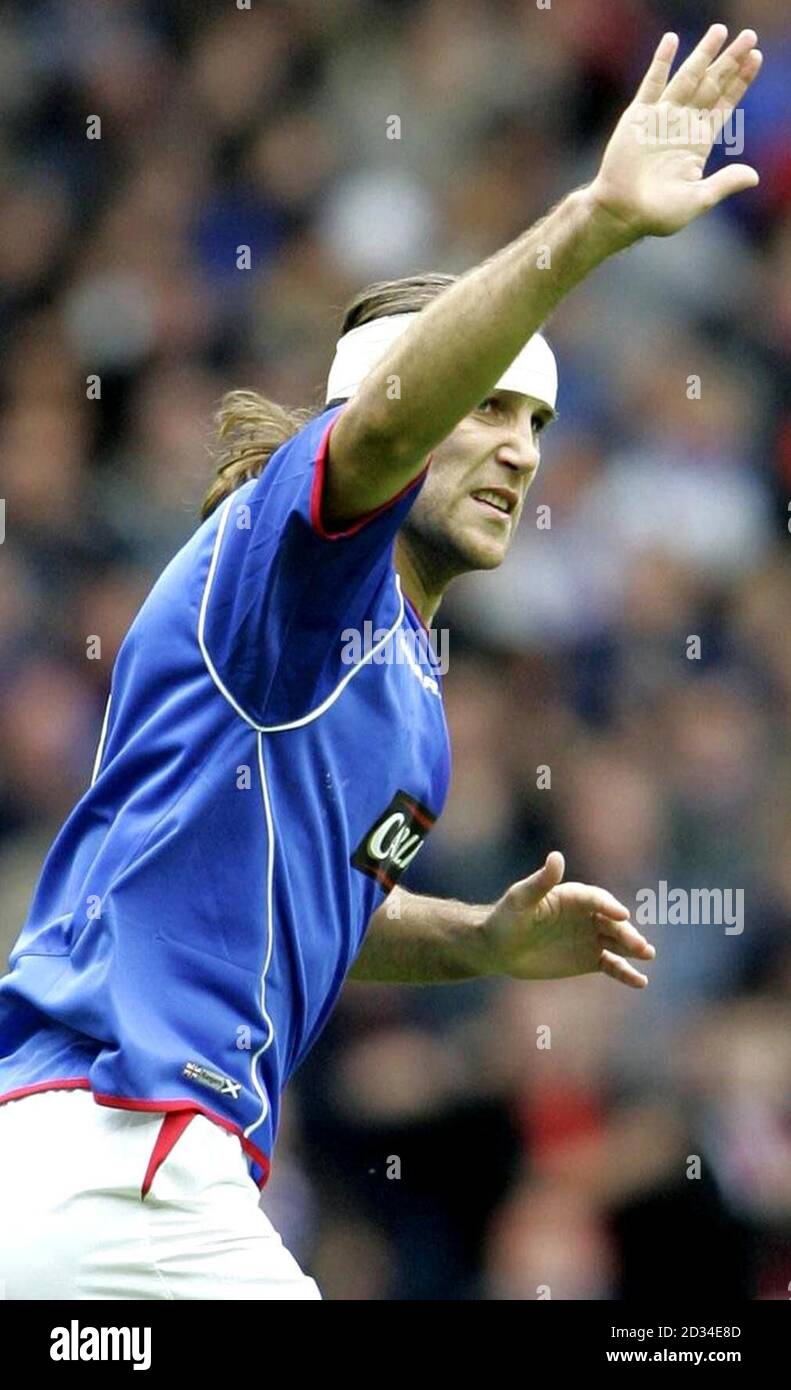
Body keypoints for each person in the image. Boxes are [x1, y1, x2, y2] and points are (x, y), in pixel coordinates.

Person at [0, 24, 762, 1299]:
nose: (520, 450)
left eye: (538, 421)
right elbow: (392, 414)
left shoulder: (408, 701)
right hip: (130, 1152)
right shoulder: (291, 569)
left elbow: (327, 915)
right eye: (489, 408)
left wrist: (482, 941)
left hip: (84, 1168)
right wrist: (590, 223)